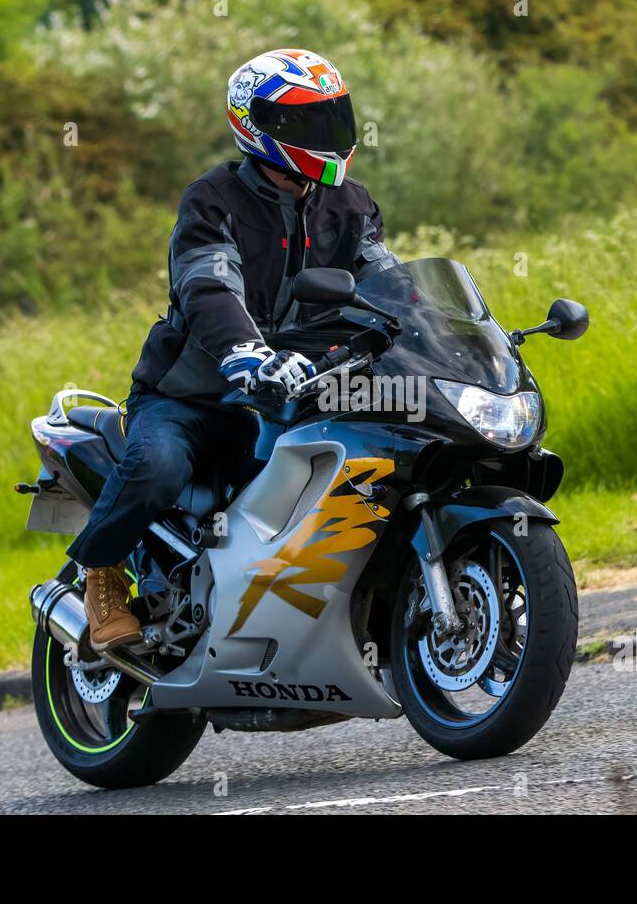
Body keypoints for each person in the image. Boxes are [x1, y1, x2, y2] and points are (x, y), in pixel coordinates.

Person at [66, 48, 400, 649]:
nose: (327, 135)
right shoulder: (212, 199)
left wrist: (440, 335)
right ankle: (103, 572)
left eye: (333, 118)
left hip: (302, 391)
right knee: (159, 466)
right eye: (308, 123)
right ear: (260, 128)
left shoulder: (352, 203)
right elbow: (209, 284)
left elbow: (387, 283)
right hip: (192, 396)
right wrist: (246, 353)